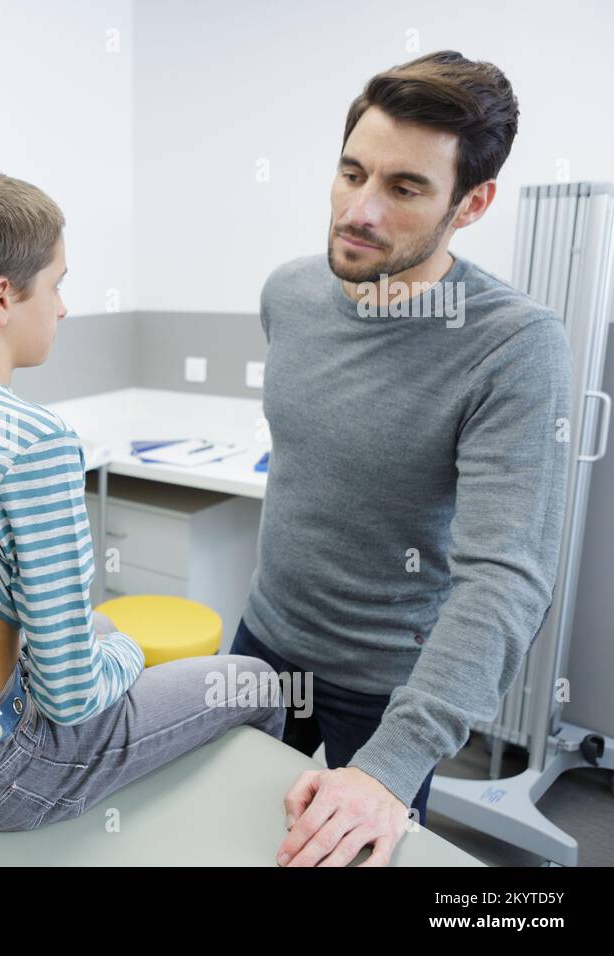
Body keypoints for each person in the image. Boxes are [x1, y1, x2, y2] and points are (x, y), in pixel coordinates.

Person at [0, 168, 286, 834]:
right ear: (2, 298)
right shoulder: (35, 442)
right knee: (253, 680)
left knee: (93, 629)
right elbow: (70, 698)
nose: (63, 308)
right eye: (58, 283)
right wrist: (128, 651)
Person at [232, 51, 572, 867]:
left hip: (389, 687)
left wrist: (391, 765)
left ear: (474, 201)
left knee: (352, 854)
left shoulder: (515, 346)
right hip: (265, 642)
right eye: (351, 173)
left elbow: (506, 576)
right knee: (217, 831)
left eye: (405, 188)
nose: (360, 209)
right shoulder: (290, 293)